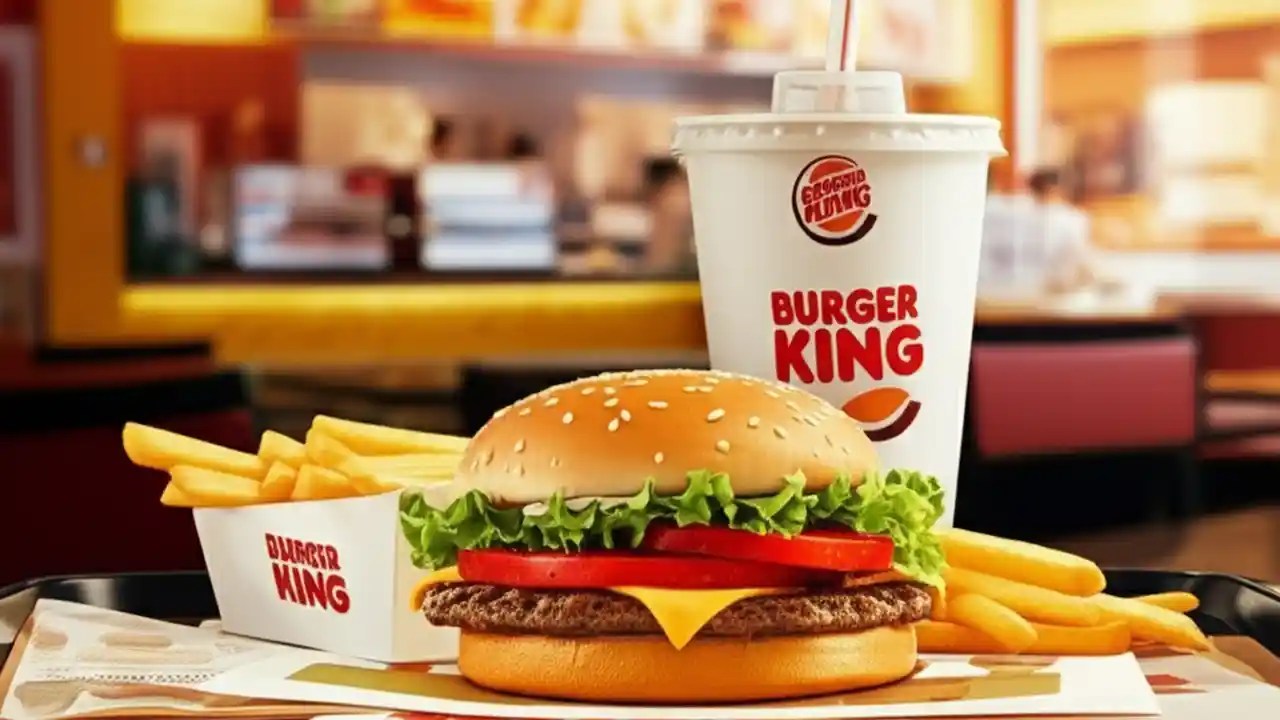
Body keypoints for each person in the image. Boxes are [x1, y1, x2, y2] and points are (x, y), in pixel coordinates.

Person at [1027, 169, 1097, 294]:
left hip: (1026, 289)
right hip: (1059, 289)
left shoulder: (1020, 216)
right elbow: (1081, 256)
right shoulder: (1074, 218)